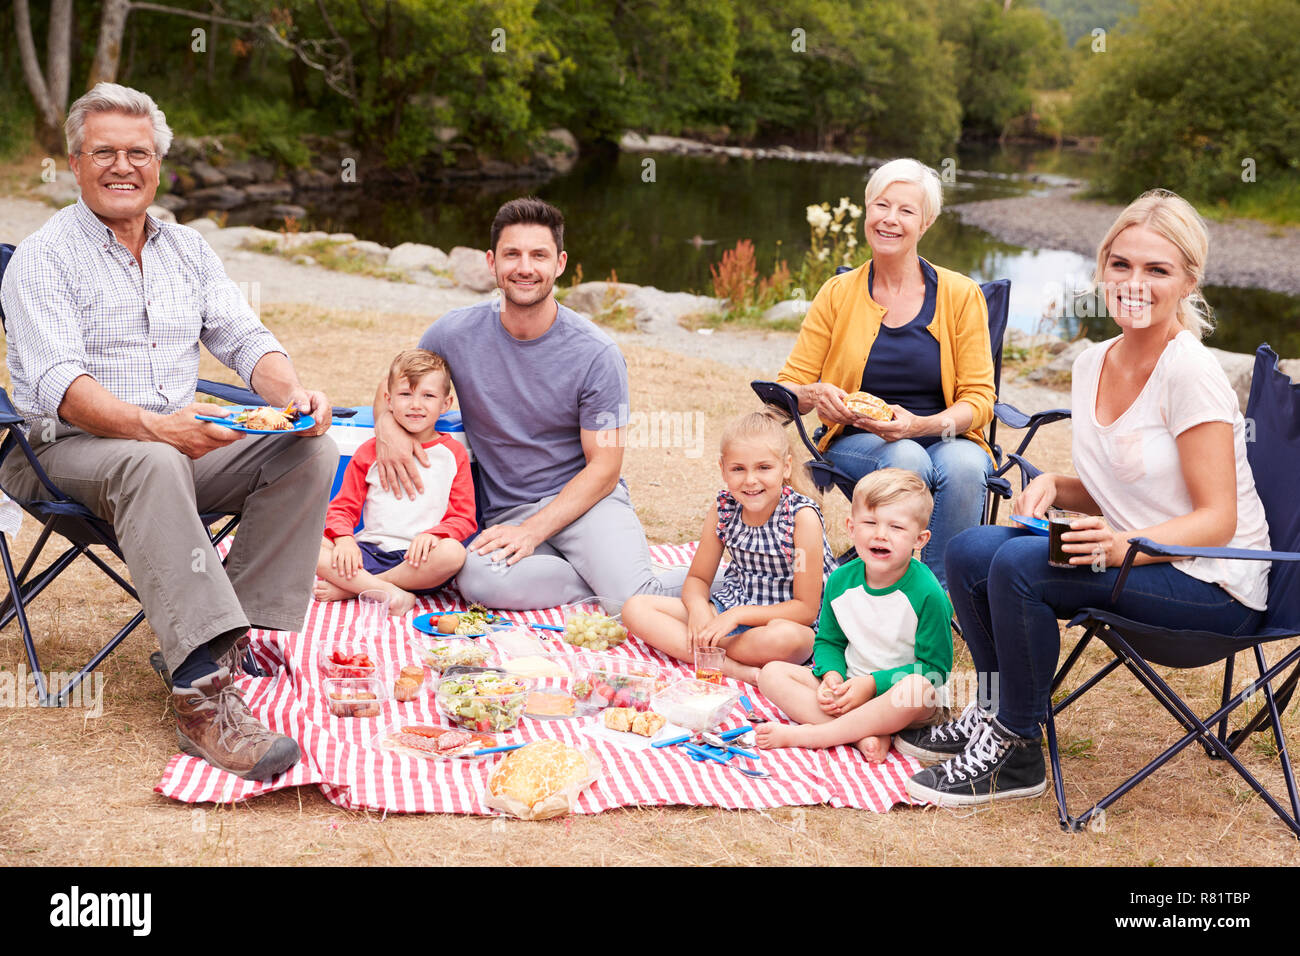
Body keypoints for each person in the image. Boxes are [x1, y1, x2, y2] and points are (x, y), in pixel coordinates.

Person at [0, 83, 337, 781]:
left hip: (171, 448)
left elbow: (246, 339)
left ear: (158, 163)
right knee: (152, 464)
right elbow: (64, 388)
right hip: (60, 453)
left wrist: (294, 392)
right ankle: (203, 701)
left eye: (138, 153)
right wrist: (159, 430)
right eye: (105, 153)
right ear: (74, 162)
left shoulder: (186, 248)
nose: (123, 166)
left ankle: (224, 640)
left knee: (308, 449)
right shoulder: (45, 257)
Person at [901, 189, 1270, 807]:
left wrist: (1121, 547)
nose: (1134, 282)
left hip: (1212, 588)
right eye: (1121, 264)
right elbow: (1125, 486)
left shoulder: (1191, 372)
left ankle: (1016, 750)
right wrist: (1057, 485)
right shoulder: (1092, 360)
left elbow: (1217, 520)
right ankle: (996, 712)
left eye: (1158, 270)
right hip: (1139, 560)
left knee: (1019, 566)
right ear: (1101, 269)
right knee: (968, 551)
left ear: (1189, 280)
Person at [372, 197, 683, 612]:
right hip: (507, 509)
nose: (525, 267)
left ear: (559, 263)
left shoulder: (597, 353)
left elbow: (605, 468)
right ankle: (601, 578)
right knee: (477, 580)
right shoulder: (454, 333)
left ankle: (741, 579)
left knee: (637, 603)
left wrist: (534, 532)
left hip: (585, 503)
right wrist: (388, 428)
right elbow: (392, 386)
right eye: (512, 254)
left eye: (539, 255)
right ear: (491, 262)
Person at [776, 159, 997, 588]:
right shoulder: (837, 293)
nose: (890, 219)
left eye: (906, 211)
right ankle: (890, 588)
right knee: (907, 457)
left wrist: (922, 425)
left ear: (926, 222)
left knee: (968, 465)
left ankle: (939, 597)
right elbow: (786, 388)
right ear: (867, 210)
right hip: (858, 439)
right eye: (881, 206)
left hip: (944, 431)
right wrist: (816, 393)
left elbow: (980, 400)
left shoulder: (961, 294)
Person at [622, 411, 836, 685]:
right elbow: (698, 579)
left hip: (788, 624)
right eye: (738, 469)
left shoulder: (800, 517)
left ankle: (703, 649)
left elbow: (804, 608)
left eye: (764, 468)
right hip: (730, 609)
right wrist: (699, 610)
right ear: (722, 469)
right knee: (635, 608)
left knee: (784, 639)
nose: (750, 480)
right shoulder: (724, 508)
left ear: (786, 467)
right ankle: (737, 669)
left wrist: (734, 618)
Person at [755, 469, 954, 761]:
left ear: (919, 539)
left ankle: (816, 735)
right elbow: (828, 642)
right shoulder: (839, 581)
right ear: (851, 527)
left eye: (896, 527)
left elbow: (935, 670)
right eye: (870, 522)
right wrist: (831, 675)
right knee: (771, 673)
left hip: (903, 697)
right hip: (850, 682)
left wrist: (872, 685)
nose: (880, 534)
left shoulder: (928, 593)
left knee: (917, 689)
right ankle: (863, 734)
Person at [314, 349, 473, 612]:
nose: (416, 405)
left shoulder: (452, 454)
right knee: (310, 544)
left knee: (454, 553)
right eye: (405, 394)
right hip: (369, 553)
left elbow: (463, 517)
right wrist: (344, 540)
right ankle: (389, 593)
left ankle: (364, 587)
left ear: (446, 404)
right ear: (388, 399)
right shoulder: (370, 450)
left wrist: (436, 535)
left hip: (419, 562)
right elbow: (342, 508)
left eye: (428, 396)